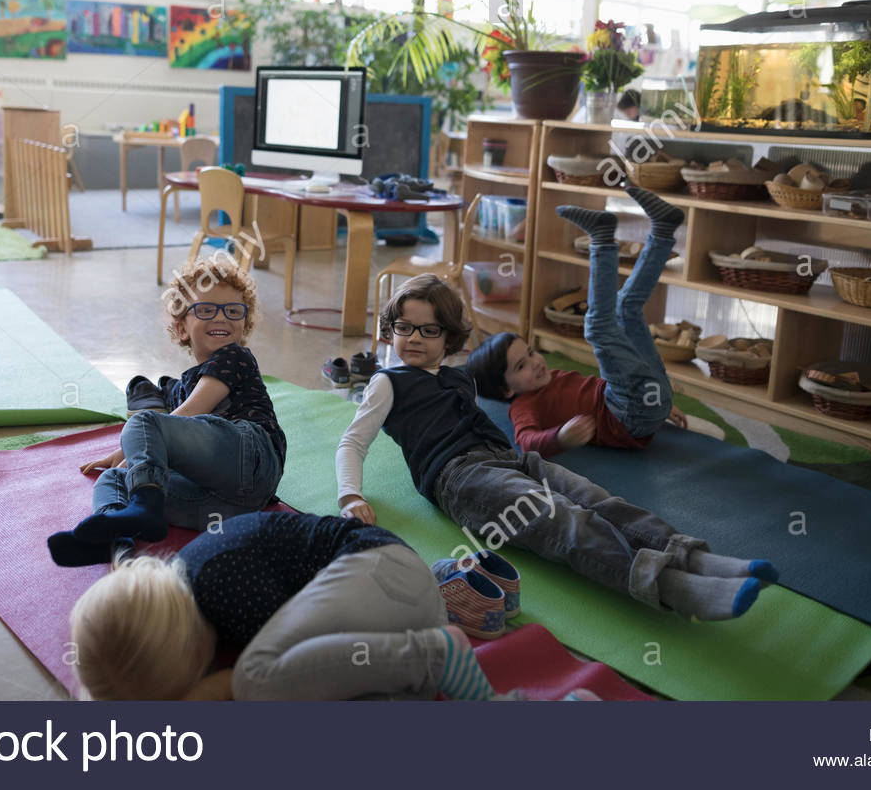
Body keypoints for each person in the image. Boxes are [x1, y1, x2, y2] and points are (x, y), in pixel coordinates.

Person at [335, 274, 776, 622]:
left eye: (428, 330)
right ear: (390, 329)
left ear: (448, 338)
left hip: (512, 459)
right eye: (403, 327)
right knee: (564, 518)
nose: (413, 337)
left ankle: (692, 557)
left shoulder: (457, 375)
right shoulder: (386, 383)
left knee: (598, 499)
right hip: (462, 479)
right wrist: (350, 494)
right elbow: (353, 441)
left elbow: (502, 373)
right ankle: (670, 587)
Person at [69, 511, 508, 701]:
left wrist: (214, 690)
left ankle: (436, 655)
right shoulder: (192, 599)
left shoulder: (219, 584)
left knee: (254, 681)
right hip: (395, 613)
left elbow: (294, 659)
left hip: (382, 571)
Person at [48, 256, 286, 566]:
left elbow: (189, 412)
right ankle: (114, 540)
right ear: (181, 327)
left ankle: (145, 505)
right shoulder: (183, 385)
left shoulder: (236, 357)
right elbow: (171, 430)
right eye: (206, 309)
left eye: (233, 311)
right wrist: (134, 457)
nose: (222, 318)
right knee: (114, 480)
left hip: (252, 457)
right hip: (231, 503)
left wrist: (130, 445)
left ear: (244, 323)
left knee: (144, 424)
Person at [465, 185, 687, 457]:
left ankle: (663, 231)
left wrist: (656, 399)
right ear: (507, 389)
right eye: (522, 365)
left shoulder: (552, 378)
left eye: (531, 353)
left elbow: (612, 382)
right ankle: (602, 239)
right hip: (628, 415)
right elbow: (527, 441)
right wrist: (559, 438)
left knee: (626, 307)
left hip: (641, 400)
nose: (535, 362)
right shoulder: (524, 407)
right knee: (596, 328)